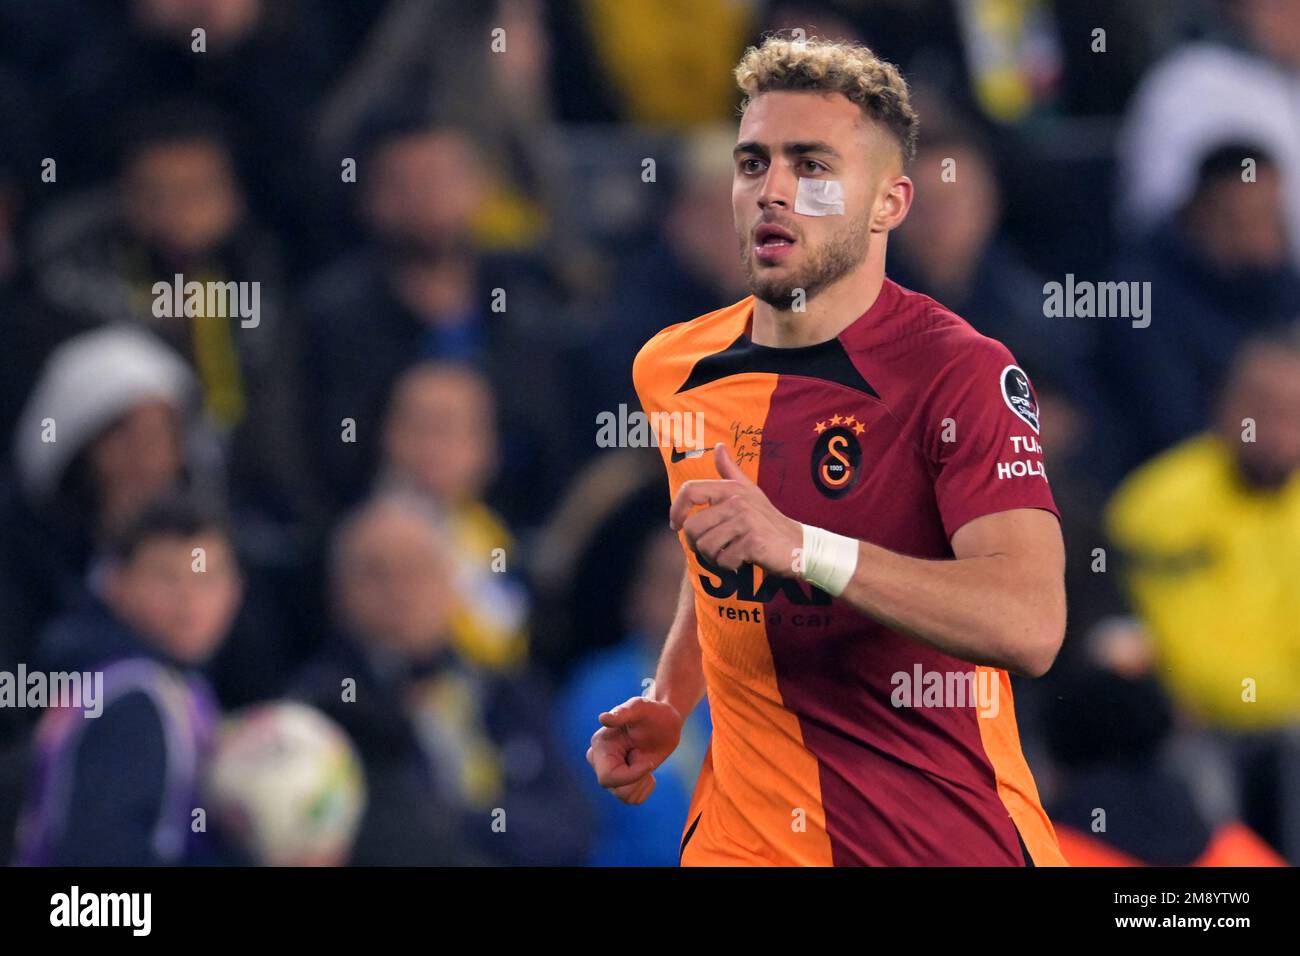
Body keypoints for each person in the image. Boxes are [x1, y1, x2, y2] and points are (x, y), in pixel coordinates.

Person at [587, 35, 1067, 866]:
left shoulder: (961, 373)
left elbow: (1029, 623)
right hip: (745, 841)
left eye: (811, 166)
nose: (772, 190)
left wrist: (804, 547)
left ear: (891, 202)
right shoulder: (672, 368)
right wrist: (668, 697)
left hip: (940, 843)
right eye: (752, 163)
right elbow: (720, 561)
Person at [292, 493, 591, 865]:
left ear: (451, 584)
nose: (400, 592)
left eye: (419, 570)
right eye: (375, 574)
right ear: (337, 593)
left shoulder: (509, 689)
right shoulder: (325, 708)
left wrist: (463, 825)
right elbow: (398, 840)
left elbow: (574, 825)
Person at [1105, 328, 1300, 861]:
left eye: (1291, 409)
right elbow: (1137, 627)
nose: (1272, 425)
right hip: (1191, 724)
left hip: (1290, 721)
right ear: (1224, 402)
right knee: (1198, 782)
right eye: (1258, 402)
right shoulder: (1158, 502)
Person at [15, 494, 246, 865]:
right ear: (115, 585)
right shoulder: (131, 699)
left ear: (236, 589)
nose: (190, 600)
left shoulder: (173, 685)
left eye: (209, 577)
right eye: (166, 577)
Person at [557, 528, 711, 865]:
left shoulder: (742, 688)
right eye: (669, 581)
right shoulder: (597, 688)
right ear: (637, 596)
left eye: (698, 583)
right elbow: (579, 818)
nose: (684, 598)